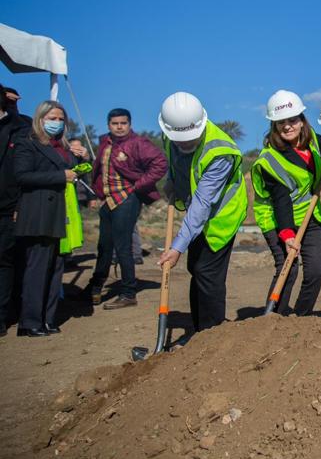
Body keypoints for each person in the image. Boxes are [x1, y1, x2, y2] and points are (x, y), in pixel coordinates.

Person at [156, 92, 248, 332]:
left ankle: (212, 337)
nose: (185, 143)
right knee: (195, 268)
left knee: (207, 273)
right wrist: (172, 182)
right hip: (196, 213)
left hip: (221, 217)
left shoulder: (220, 151)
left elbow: (202, 204)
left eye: (189, 138)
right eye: (180, 139)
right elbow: (177, 164)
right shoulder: (170, 136)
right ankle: (199, 334)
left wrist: (177, 247)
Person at [251, 90, 321, 316]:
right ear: (274, 125)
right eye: (281, 122)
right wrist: (287, 235)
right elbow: (281, 200)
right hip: (277, 218)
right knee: (288, 268)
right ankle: (274, 317)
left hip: (310, 214)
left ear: (301, 119)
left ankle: (300, 319)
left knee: (316, 272)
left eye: (292, 120)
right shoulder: (270, 159)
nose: (287, 126)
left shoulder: (315, 139)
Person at [86, 108, 168, 309]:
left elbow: (160, 162)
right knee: (104, 246)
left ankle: (129, 292)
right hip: (107, 200)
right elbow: (99, 170)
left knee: (123, 246)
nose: (119, 127)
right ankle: (95, 287)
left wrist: (138, 187)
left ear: (129, 124)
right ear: (108, 125)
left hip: (126, 199)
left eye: (123, 123)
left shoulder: (138, 143)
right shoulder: (104, 143)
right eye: (115, 123)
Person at [12, 100, 77, 336]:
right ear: (40, 119)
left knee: (55, 268)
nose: (56, 123)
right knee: (37, 270)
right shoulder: (27, 143)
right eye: (52, 118)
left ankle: (48, 318)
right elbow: (23, 176)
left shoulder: (64, 147)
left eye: (60, 119)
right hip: (38, 214)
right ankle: (29, 321)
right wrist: (60, 176)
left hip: (60, 215)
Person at [0, 84, 31, 336]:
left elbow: (23, 173)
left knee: (6, 260)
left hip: (9, 207)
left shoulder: (20, 127)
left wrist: (21, 205)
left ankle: (4, 315)